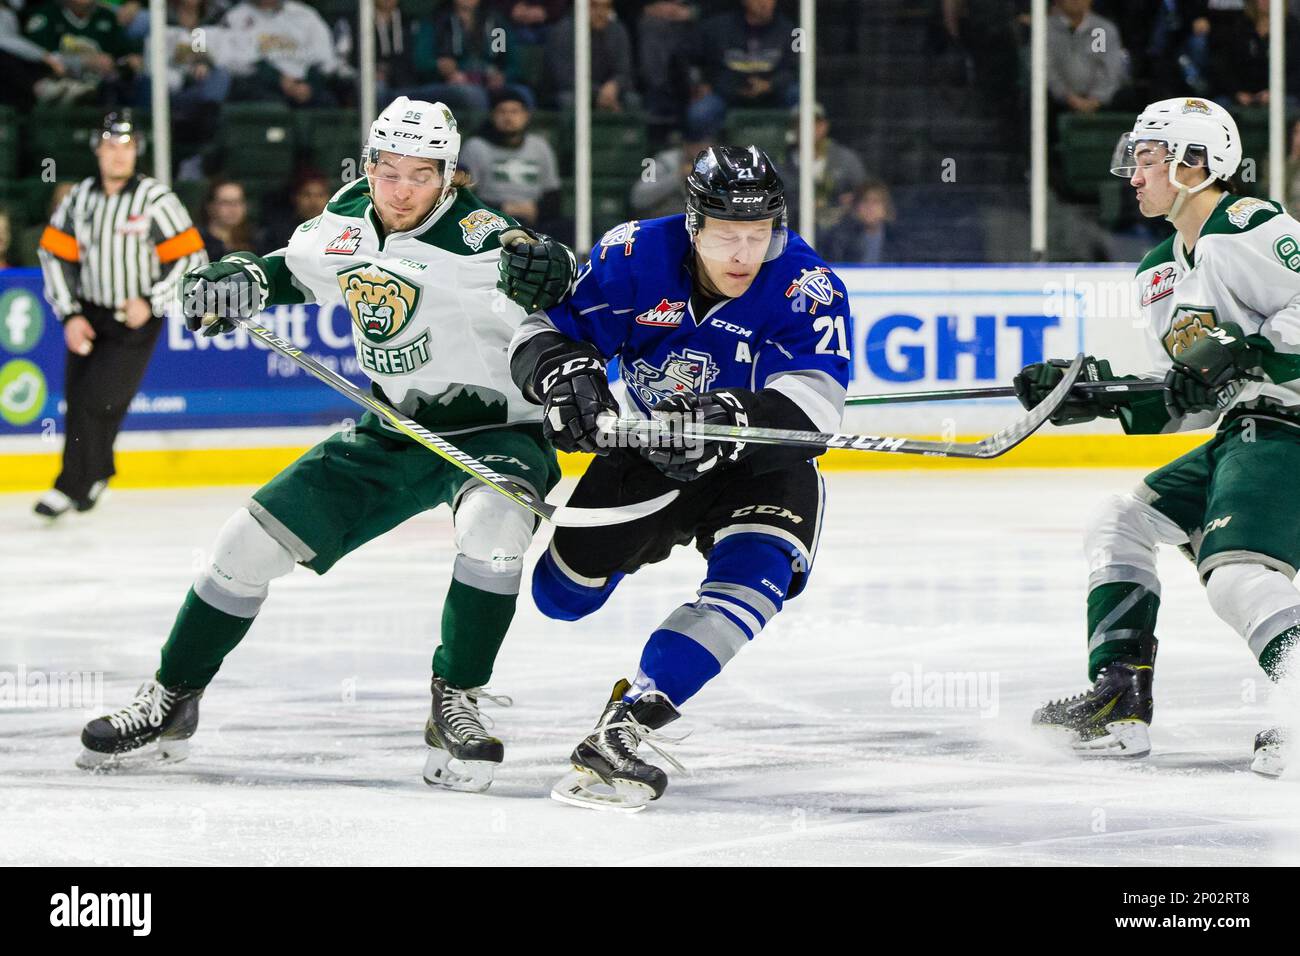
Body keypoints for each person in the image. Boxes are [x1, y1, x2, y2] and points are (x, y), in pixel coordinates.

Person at [76, 98, 579, 795]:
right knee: (240, 546)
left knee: (493, 537)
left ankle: (455, 698)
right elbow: (290, 267)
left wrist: (560, 271)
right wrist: (241, 280)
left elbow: (557, 293)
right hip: (394, 427)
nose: (401, 190)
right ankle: (171, 699)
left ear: (451, 178)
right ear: (369, 165)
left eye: (422, 175)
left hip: (497, 432)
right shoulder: (346, 216)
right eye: (388, 170)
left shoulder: (481, 240)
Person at [508, 145, 852, 811]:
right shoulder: (633, 255)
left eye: (758, 236)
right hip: (650, 449)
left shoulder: (806, 283)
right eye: (727, 236)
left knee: (760, 575)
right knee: (562, 595)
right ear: (694, 225)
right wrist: (562, 373)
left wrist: (731, 415)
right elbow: (546, 331)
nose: (743, 255)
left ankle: (631, 720)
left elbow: (815, 408)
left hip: (758, 459)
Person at [1014, 98, 1300, 777]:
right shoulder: (1158, 273)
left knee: (1235, 578)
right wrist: (1090, 391)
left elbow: (1261, 347)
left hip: (1288, 422)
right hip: (1248, 430)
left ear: (1197, 164)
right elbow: (1185, 400)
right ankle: (1121, 700)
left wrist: (1253, 352)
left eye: (1147, 159)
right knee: (1121, 522)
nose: (1133, 175)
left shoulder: (1251, 226)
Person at [35, 111, 207, 519]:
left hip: (136, 320)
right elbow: (53, 254)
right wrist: (70, 314)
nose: (119, 155)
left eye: (126, 147)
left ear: (136, 152)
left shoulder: (155, 198)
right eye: (111, 146)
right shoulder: (79, 198)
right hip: (89, 314)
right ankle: (93, 476)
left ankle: (72, 484)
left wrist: (152, 300)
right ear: (98, 150)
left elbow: (191, 257)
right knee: (79, 400)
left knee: (100, 399)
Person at [458, 88, 562, 234]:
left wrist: (535, 209)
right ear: (493, 115)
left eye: (514, 111)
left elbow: (553, 194)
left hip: (535, 220)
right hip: (489, 220)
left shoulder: (540, 146)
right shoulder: (476, 147)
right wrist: (502, 208)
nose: (508, 117)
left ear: (526, 116)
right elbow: (465, 196)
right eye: (502, 111)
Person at [216, 0, 338, 106]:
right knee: (267, 105)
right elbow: (231, 60)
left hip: (306, 82)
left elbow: (325, 58)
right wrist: (278, 79)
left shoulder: (305, 15)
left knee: (328, 102)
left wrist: (309, 85)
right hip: (260, 84)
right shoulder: (235, 17)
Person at [1046, 0, 1127, 114]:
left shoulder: (1103, 29)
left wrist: (1096, 99)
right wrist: (1068, 97)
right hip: (1055, 106)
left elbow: (1111, 69)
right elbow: (1046, 69)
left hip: (1102, 107)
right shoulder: (1045, 30)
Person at [197, 177, 253, 260]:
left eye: (238, 202)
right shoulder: (198, 243)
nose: (233, 208)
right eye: (225, 202)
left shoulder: (254, 240)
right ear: (210, 207)